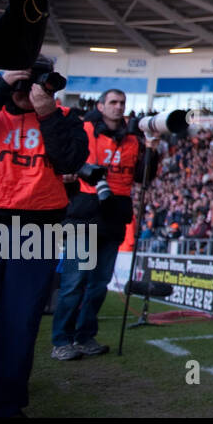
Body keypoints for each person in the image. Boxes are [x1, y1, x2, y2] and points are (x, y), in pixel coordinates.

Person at [0, 63, 88, 417]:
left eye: (36, 82)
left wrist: (47, 115)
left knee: (20, 321)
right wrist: (0, 85)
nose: (27, 89)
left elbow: (71, 159)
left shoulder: (66, 119)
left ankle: (6, 404)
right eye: (22, 80)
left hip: (39, 227)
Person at [51, 88, 159, 359]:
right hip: (83, 215)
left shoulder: (134, 137)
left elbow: (143, 177)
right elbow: (64, 157)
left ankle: (85, 336)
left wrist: (152, 148)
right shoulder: (84, 128)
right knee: (74, 282)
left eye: (122, 103)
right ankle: (61, 340)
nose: (118, 106)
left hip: (114, 217)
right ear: (100, 106)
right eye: (112, 102)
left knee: (99, 285)